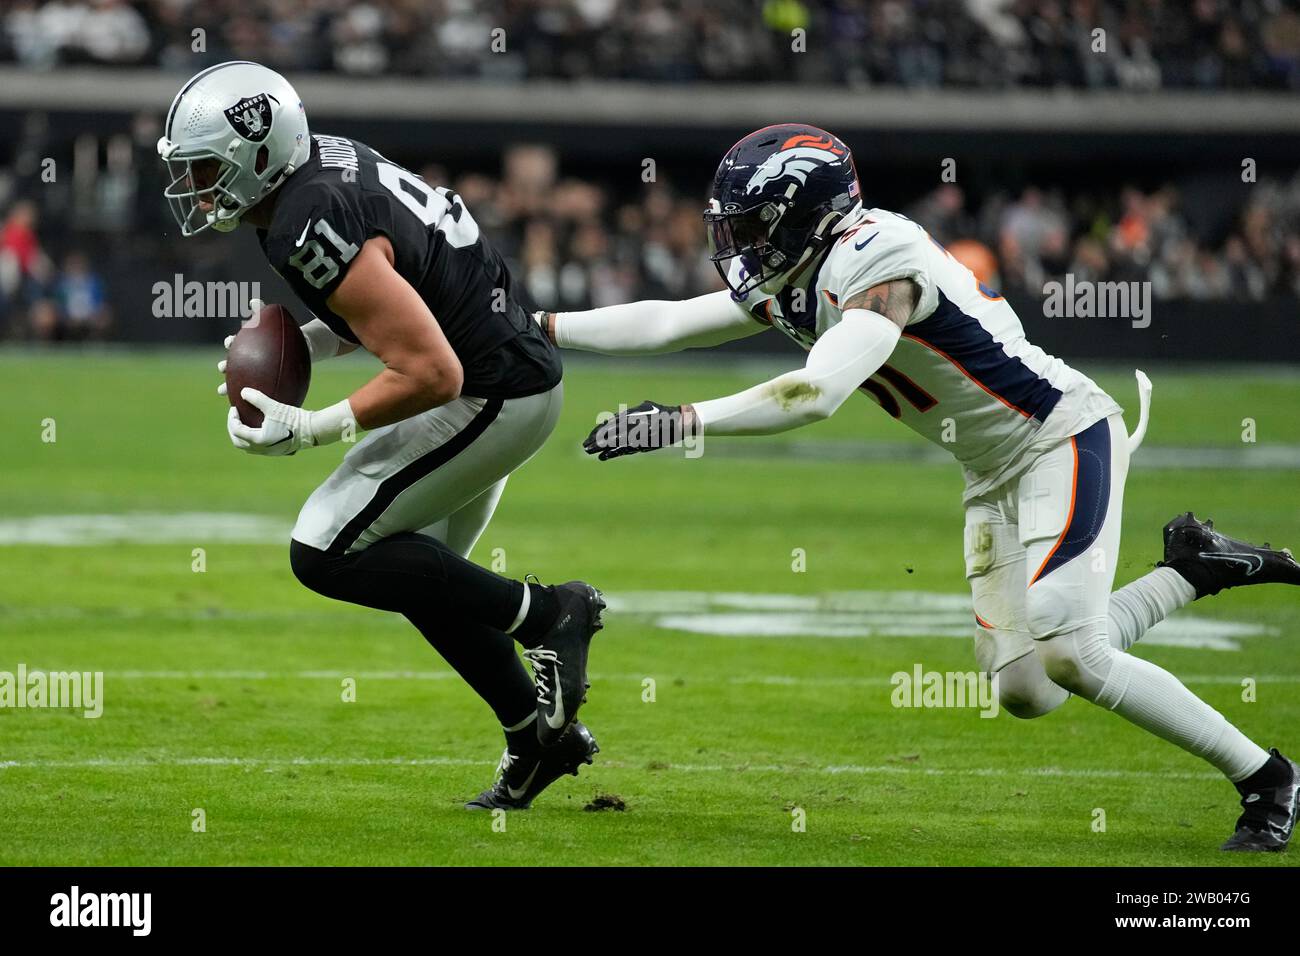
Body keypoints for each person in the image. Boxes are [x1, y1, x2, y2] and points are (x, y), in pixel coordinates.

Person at [547, 123, 1300, 851]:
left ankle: (1267, 777)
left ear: (808, 212)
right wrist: (542, 325)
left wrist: (681, 421)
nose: (739, 245)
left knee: (1071, 651)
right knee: (1027, 688)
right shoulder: (797, 272)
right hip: (989, 469)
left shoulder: (878, 253)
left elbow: (816, 395)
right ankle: (1192, 570)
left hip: (1060, 435)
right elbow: (668, 323)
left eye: (754, 226)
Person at [159, 61, 605, 810]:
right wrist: (299, 345)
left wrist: (314, 426)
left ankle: (552, 612)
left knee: (324, 550)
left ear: (259, 152)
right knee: (410, 571)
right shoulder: (318, 169)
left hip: (492, 391)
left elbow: (431, 369)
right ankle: (537, 740)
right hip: (502, 371)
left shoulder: (306, 216)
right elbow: (385, 306)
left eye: (207, 169)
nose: (198, 190)